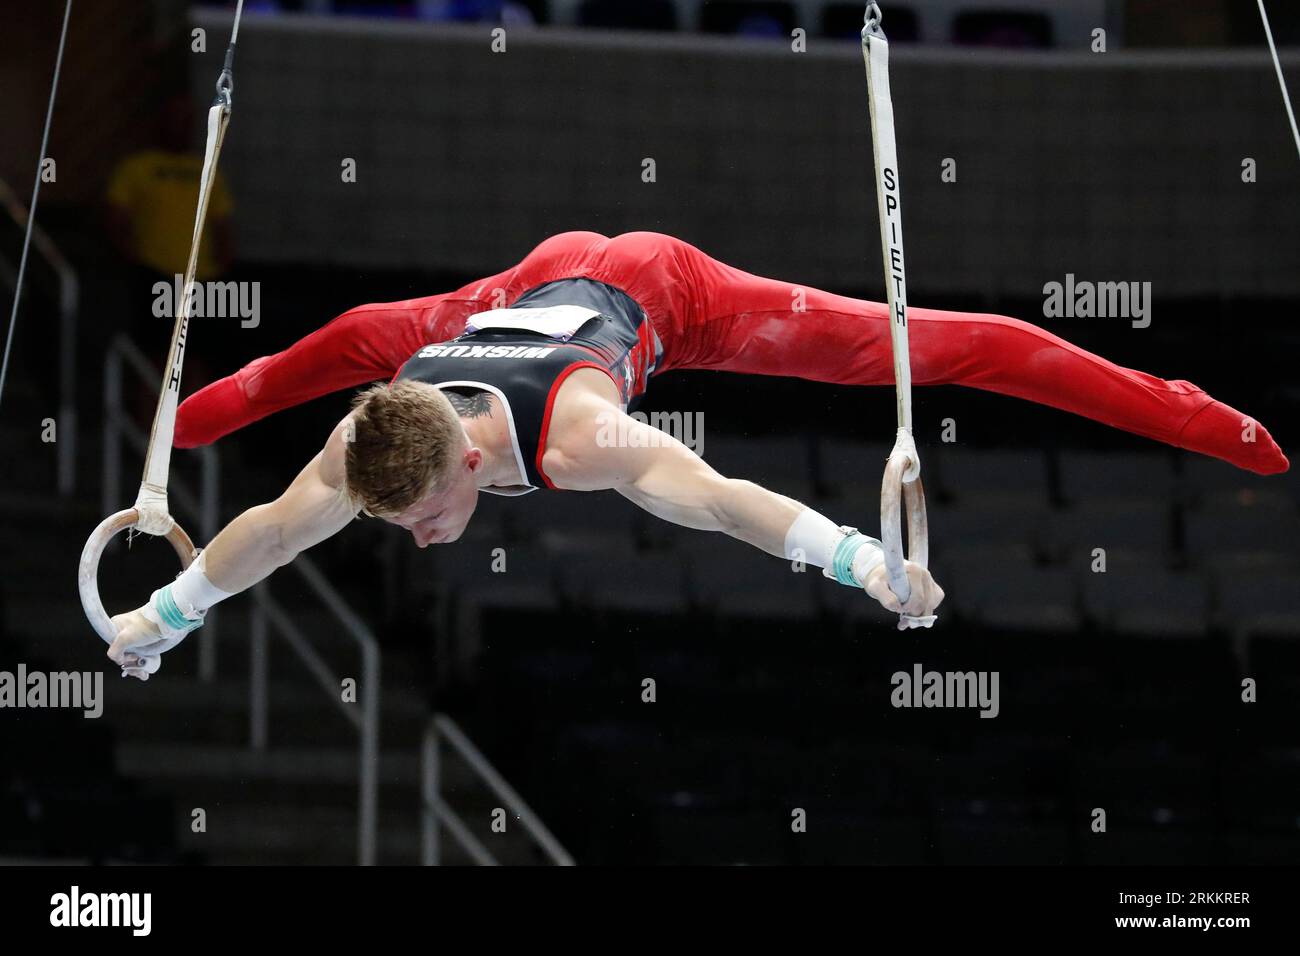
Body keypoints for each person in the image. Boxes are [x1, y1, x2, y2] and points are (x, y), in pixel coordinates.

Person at [105, 231, 1287, 678]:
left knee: (950, 349)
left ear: (473, 461)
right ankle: (179, 422)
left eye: (417, 517)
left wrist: (865, 564)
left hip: (663, 291)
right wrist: (164, 611)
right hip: (514, 287)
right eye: (398, 524)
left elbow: (719, 502)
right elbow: (268, 525)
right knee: (337, 350)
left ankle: (1183, 406)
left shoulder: (581, 436)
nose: (414, 537)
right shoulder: (372, 440)